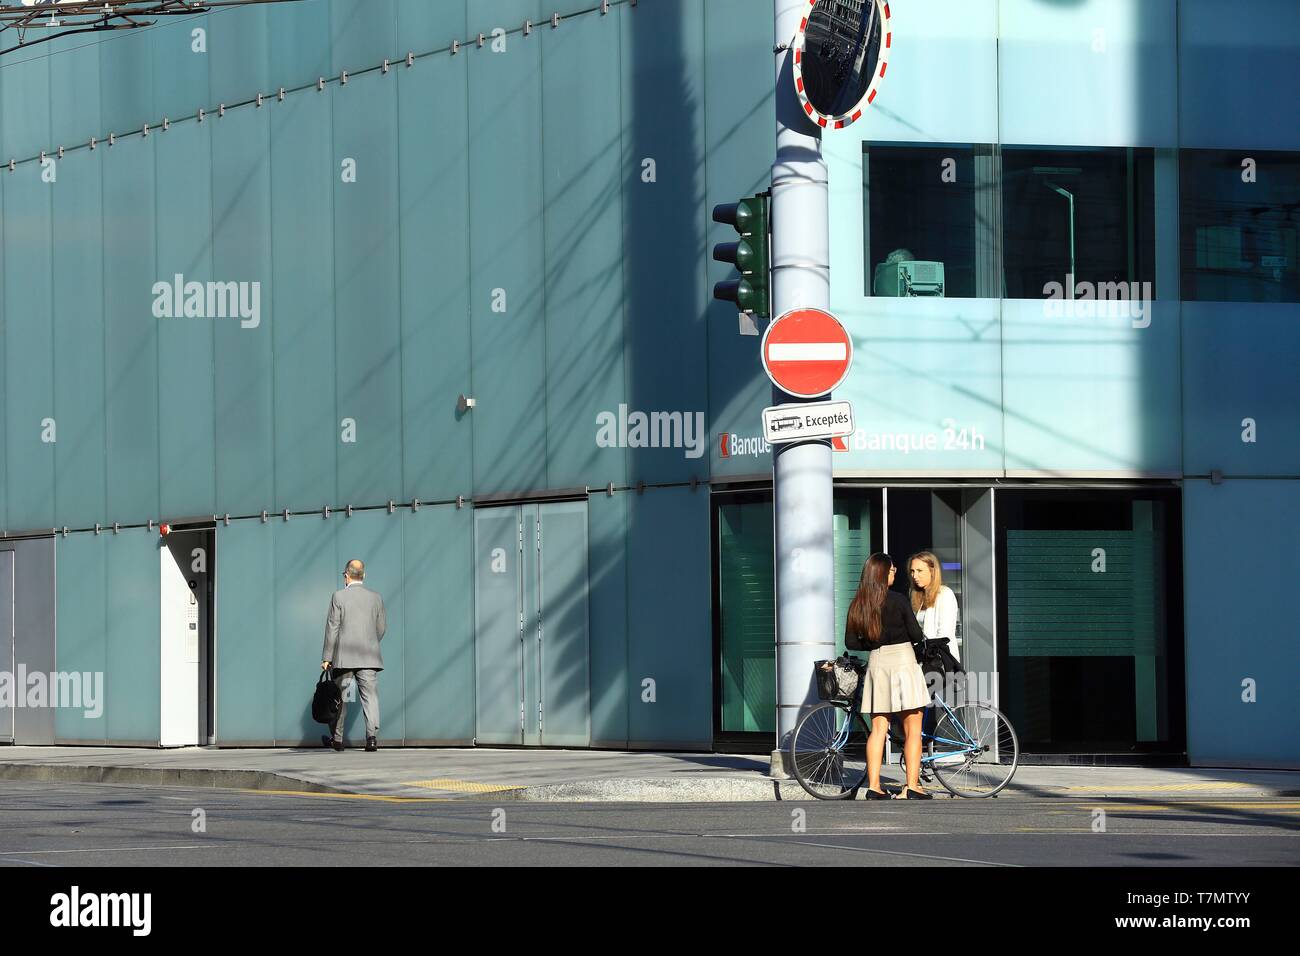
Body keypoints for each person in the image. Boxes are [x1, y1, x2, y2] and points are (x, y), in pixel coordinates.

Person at [843, 552, 932, 800]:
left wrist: (875, 642)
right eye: (892, 569)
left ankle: (874, 786)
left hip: (877, 663)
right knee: (913, 727)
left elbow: (850, 642)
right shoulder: (898, 600)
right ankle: (912, 786)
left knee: (879, 727)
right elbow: (916, 635)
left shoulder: (858, 604)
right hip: (903, 660)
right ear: (882, 573)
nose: (895, 572)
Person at [320, 559, 387, 752]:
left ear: (346, 576)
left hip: (344, 658)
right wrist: (371, 643)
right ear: (363, 575)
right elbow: (381, 628)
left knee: (342, 697)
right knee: (370, 697)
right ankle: (372, 738)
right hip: (369, 657)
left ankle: (338, 739)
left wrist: (327, 657)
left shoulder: (338, 597)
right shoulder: (376, 597)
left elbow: (332, 628)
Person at [908, 551, 960, 664]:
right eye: (912, 571)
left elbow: (944, 635)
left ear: (932, 571)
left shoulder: (945, 594)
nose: (914, 575)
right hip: (923, 660)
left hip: (941, 661)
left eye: (919, 571)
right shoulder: (916, 595)